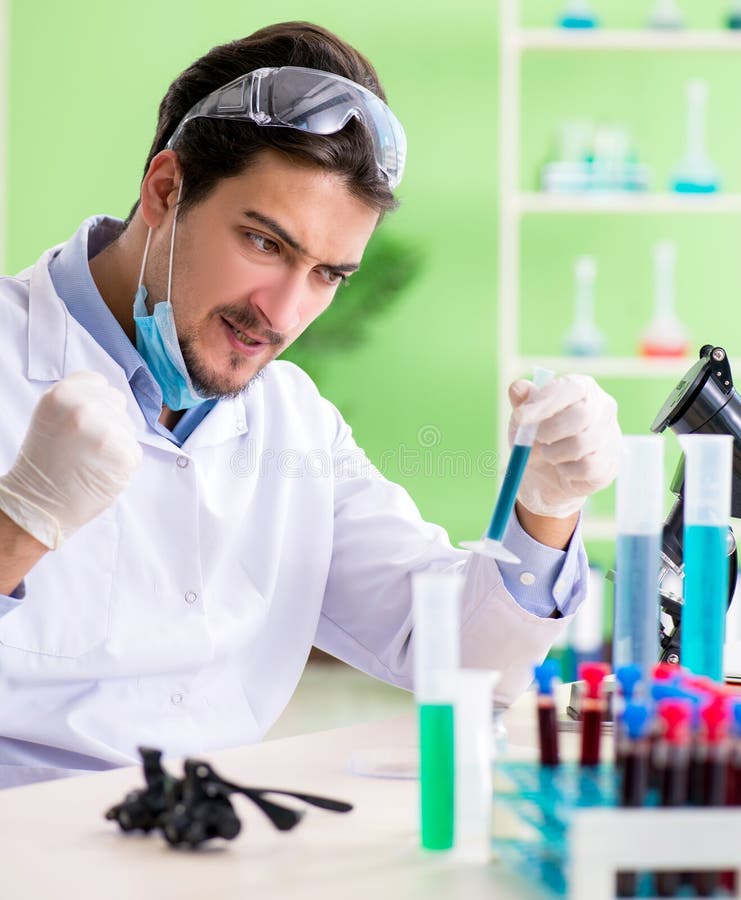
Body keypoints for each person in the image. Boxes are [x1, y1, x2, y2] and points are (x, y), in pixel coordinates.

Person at [0, 22, 620, 788]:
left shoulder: (294, 422)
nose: (284, 313)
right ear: (165, 189)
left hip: (212, 842)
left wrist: (545, 507)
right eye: (265, 243)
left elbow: (460, 660)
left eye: (328, 274)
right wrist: (18, 525)